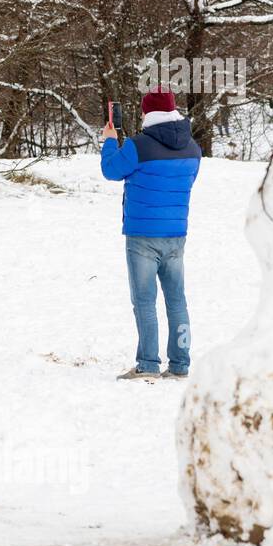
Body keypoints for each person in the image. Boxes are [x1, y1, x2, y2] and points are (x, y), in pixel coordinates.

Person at [99, 86, 202, 380]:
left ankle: (148, 364)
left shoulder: (137, 146)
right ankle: (180, 365)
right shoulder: (193, 149)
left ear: (148, 113)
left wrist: (110, 140)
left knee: (145, 301)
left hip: (142, 234)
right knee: (177, 300)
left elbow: (110, 170)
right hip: (176, 234)